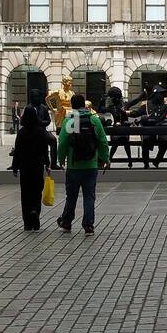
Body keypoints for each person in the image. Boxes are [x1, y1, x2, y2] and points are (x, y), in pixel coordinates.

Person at [56, 92, 110, 235]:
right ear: (84, 105)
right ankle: (88, 225)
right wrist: (105, 158)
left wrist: (61, 159)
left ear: (72, 106)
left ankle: (67, 222)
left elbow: (63, 143)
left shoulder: (71, 120)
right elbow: (102, 141)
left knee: (71, 196)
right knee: (89, 196)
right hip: (91, 165)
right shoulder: (94, 120)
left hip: (74, 165)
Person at [10, 107, 51, 231]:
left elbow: (17, 151)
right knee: (37, 191)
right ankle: (35, 212)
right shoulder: (40, 131)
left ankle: (27, 222)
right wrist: (47, 163)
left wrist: (15, 166)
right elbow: (45, 150)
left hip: (25, 166)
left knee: (25, 193)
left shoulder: (21, 132)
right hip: (37, 166)